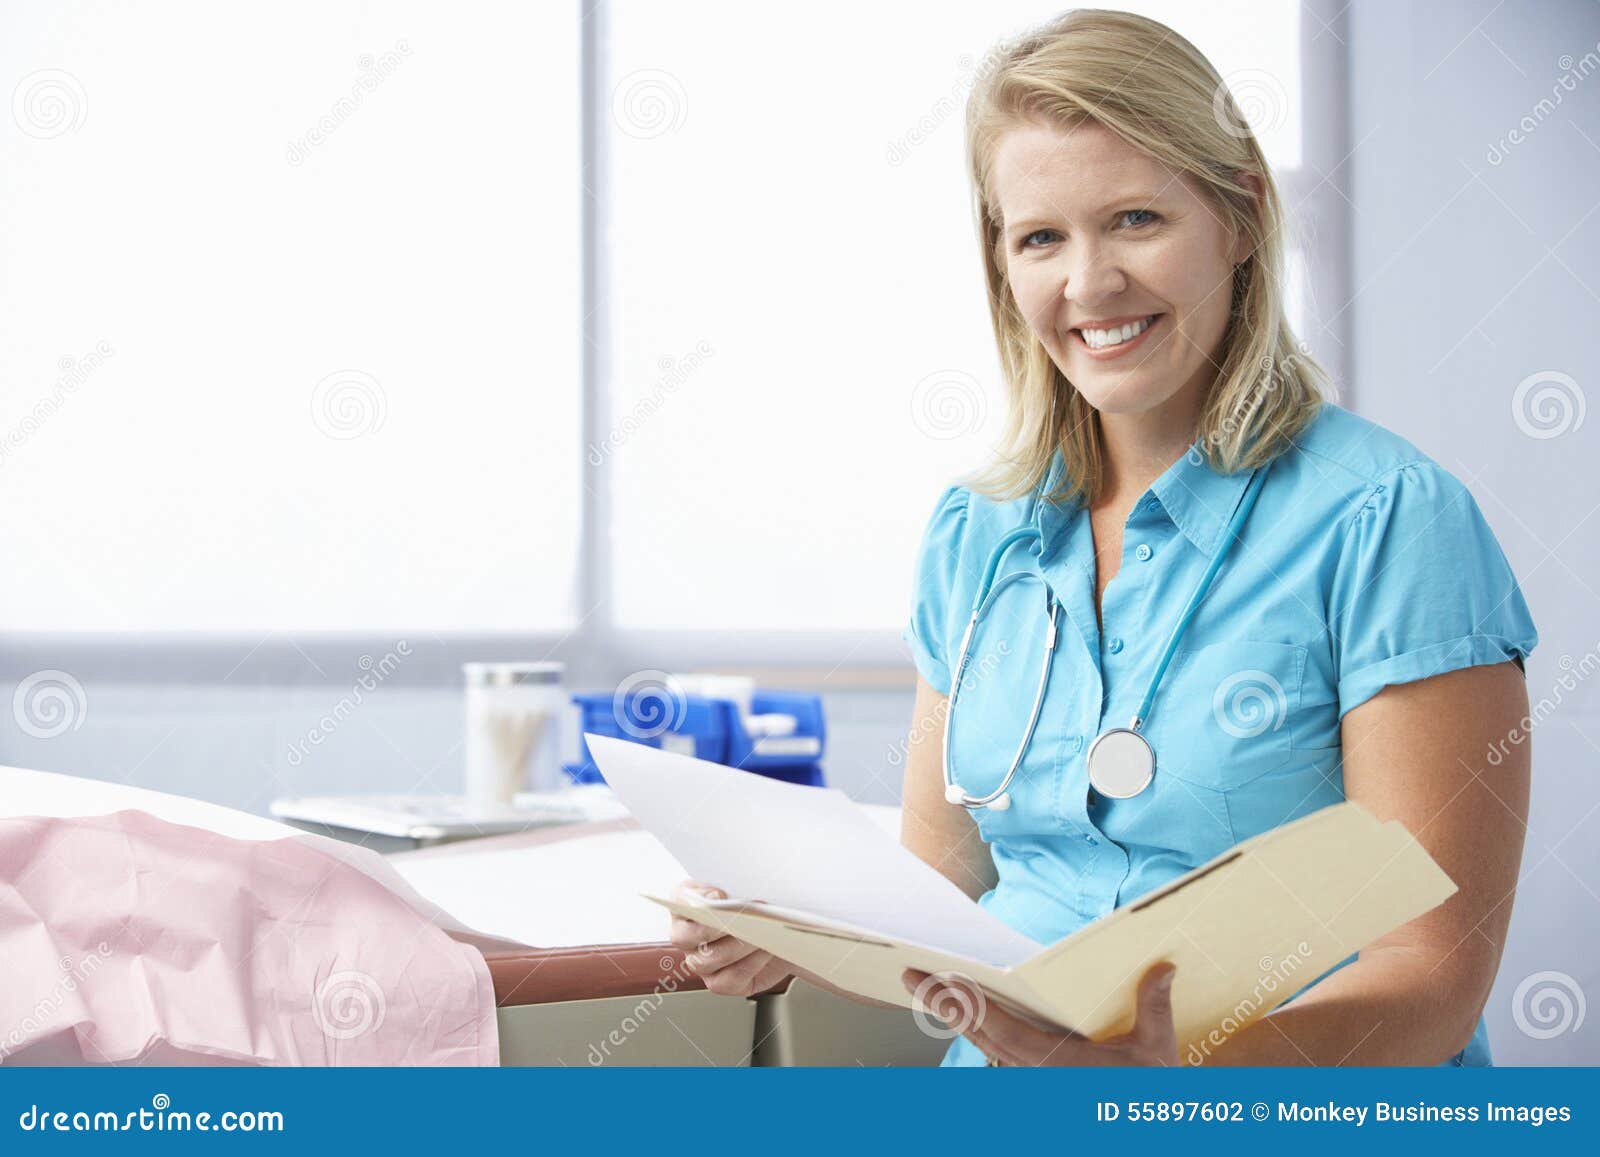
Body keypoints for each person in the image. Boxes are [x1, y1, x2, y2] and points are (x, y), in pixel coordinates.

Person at [669, 8, 1536, 1067]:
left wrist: (1175, 1074)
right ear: (1001, 261)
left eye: (1133, 219)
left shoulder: (1388, 521)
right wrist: (791, 929)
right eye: (1040, 236)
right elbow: (942, 887)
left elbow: (1431, 978)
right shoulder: (975, 535)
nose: (1089, 283)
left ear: (1242, 215)